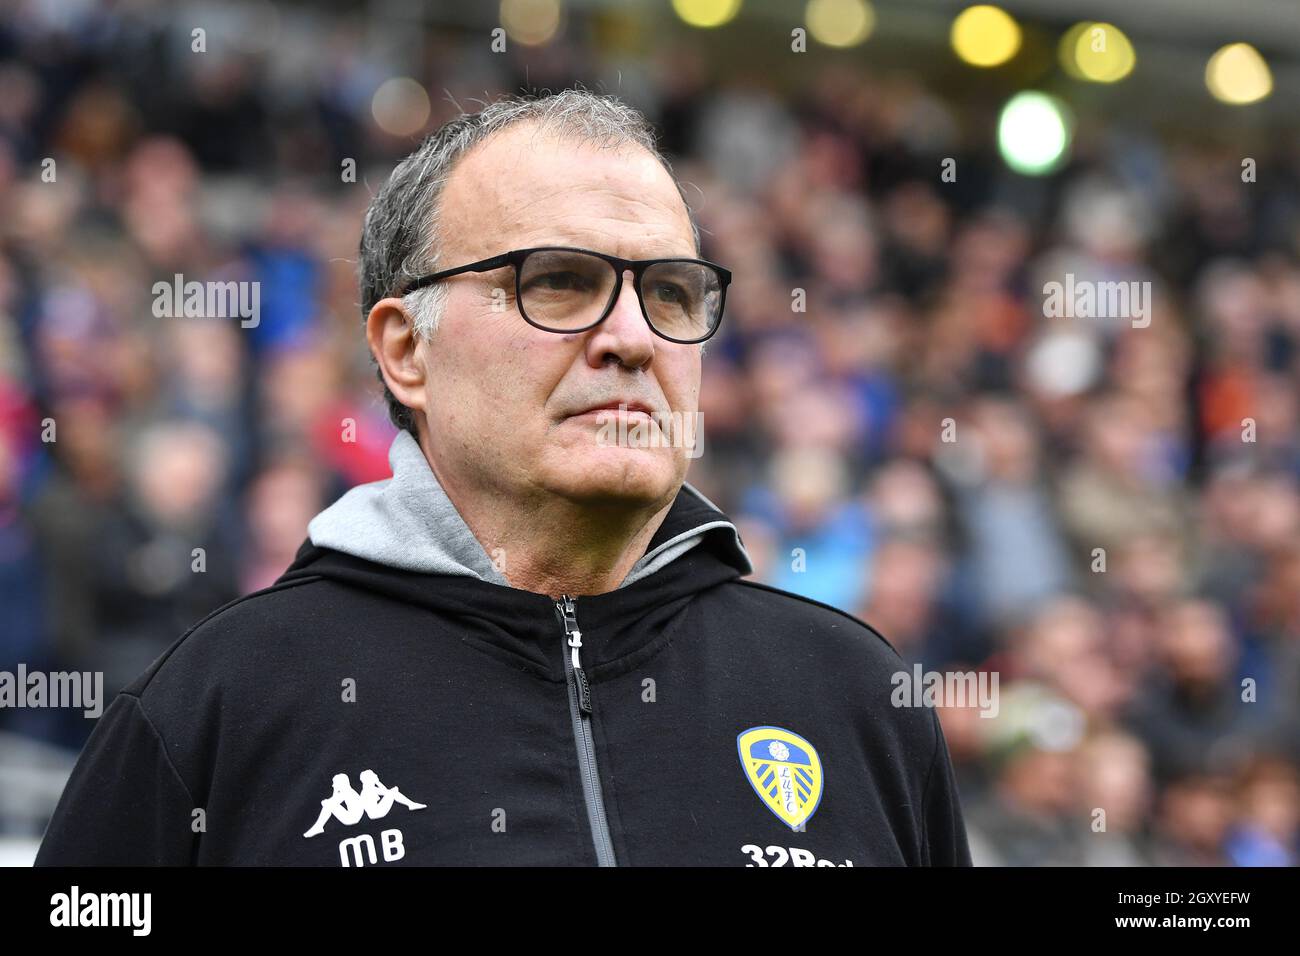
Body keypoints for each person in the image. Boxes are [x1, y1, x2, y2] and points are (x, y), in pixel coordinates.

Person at [35, 90, 971, 866]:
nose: (634, 338)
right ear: (406, 352)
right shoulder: (218, 709)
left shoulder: (855, 698)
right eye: (559, 281)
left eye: (672, 292)